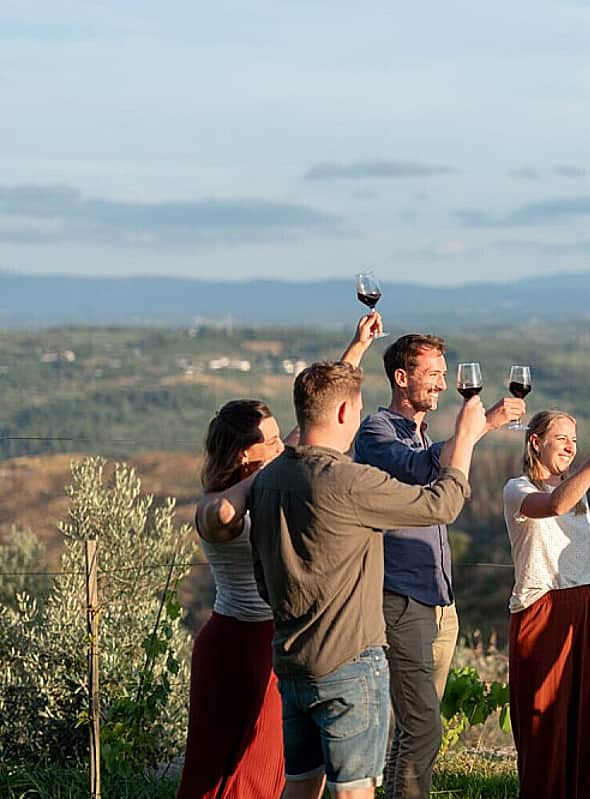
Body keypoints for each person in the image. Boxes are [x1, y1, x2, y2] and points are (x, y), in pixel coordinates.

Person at [248, 358, 488, 799]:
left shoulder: (268, 480)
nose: (359, 419)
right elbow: (441, 506)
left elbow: (263, 579)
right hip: (349, 664)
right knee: (353, 791)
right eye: (357, 410)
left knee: (300, 787)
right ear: (342, 412)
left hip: (292, 660)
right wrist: (468, 439)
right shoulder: (348, 482)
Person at [178, 313, 380, 799]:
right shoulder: (218, 503)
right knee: (220, 766)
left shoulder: (267, 468)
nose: (280, 444)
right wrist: (269, 471)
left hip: (275, 640)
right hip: (234, 646)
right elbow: (219, 514)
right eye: (267, 441)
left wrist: (355, 349)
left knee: (272, 766)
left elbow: (308, 426)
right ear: (242, 453)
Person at [352, 334, 524, 799]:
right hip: (401, 598)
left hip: (438, 600)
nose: (442, 385)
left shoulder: (421, 431)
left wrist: (481, 426)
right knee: (423, 729)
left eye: (444, 376)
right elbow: (420, 469)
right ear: (401, 378)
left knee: (412, 730)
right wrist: (474, 430)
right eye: (433, 375)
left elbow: (437, 457)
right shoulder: (376, 432)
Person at [501, 410, 590, 799]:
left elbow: (588, 568)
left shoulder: (579, 491)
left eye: (574, 439)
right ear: (535, 442)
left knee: (580, 727)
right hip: (541, 615)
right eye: (561, 439)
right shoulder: (517, 489)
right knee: (544, 730)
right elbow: (555, 504)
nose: (571, 446)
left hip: (583, 614)